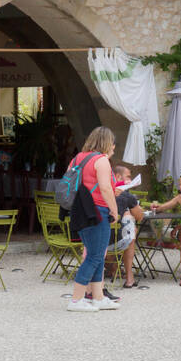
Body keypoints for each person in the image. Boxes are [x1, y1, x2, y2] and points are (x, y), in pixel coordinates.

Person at [66, 126, 121, 312]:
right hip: (97, 210)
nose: (114, 147)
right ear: (106, 143)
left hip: (80, 210)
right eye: (113, 143)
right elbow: (105, 188)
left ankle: (98, 297)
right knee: (95, 256)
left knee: (95, 254)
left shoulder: (77, 158)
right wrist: (115, 211)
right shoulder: (102, 161)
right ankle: (76, 299)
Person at [105, 164, 147, 288]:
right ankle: (129, 277)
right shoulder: (126, 195)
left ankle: (113, 269)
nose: (130, 180)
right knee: (131, 234)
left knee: (128, 228)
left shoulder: (101, 190)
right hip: (113, 241)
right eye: (128, 177)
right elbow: (140, 216)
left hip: (92, 240)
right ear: (118, 177)